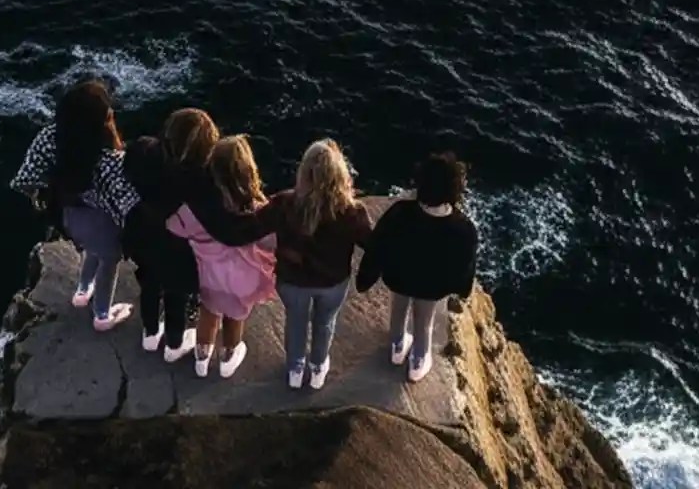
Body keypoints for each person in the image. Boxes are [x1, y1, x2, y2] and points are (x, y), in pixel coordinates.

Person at [10, 79, 140, 331]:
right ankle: (102, 315)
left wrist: (45, 196)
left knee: (90, 250)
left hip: (70, 218)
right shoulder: (110, 160)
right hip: (102, 224)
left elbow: (23, 179)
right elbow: (129, 203)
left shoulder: (49, 138)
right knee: (109, 259)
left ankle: (82, 291)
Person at [356, 152, 479, 382]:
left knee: (398, 311)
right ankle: (418, 361)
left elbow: (378, 245)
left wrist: (366, 276)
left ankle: (396, 346)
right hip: (431, 287)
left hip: (399, 277)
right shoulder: (463, 229)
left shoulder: (400, 212)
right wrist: (462, 289)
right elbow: (465, 266)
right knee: (424, 322)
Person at [260, 140, 371, 390]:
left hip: (292, 281)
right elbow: (373, 245)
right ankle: (318, 366)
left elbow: (252, 226)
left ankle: (295, 368)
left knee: (295, 321)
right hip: (333, 282)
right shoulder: (353, 213)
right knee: (325, 323)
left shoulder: (284, 203)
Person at [167, 135, 276, 379]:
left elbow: (174, 225)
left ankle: (201, 358)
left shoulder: (197, 209)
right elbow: (271, 243)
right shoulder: (258, 210)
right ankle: (229, 356)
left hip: (209, 278)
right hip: (242, 282)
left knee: (209, 312)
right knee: (234, 317)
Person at [121, 108, 221, 363]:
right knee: (177, 292)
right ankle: (174, 345)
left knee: (149, 283)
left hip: (142, 233)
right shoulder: (206, 176)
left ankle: (150, 333)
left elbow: (128, 165)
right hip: (181, 247)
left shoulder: (143, 151)